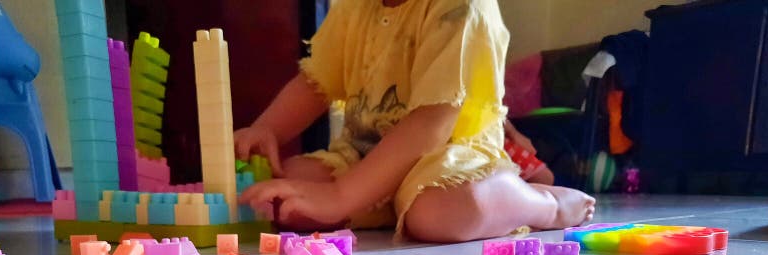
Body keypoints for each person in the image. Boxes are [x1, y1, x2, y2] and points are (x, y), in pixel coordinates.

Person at [235, 0, 595, 242]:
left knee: (442, 212)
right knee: (289, 186)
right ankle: (385, 205)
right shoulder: (354, 7)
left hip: (447, 159)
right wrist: (268, 128)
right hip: (365, 156)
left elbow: (431, 124)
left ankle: (544, 204)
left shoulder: (462, 10)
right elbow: (316, 82)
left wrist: (341, 196)